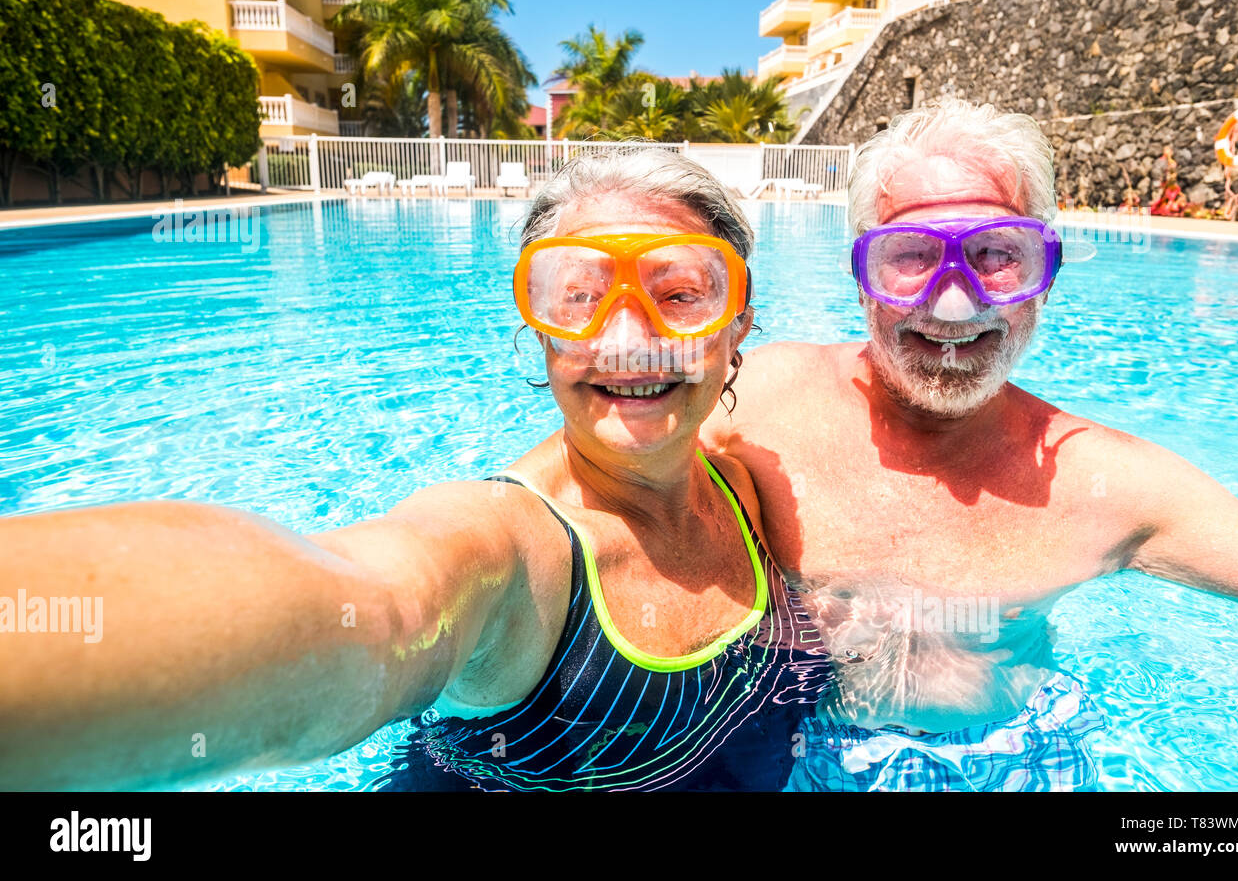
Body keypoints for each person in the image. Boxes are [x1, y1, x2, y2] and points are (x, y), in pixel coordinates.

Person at [0, 148, 836, 792]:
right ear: (541, 334)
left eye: (681, 293)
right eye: (577, 296)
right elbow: (384, 605)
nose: (627, 340)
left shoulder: (746, 482)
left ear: (739, 326)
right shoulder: (516, 549)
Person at [702, 97, 1238, 791]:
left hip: (1015, 755)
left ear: (1048, 270)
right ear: (860, 273)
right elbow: (568, 496)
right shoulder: (760, 407)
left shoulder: (1104, 480)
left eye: (994, 254)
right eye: (911, 256)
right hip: (801, 745)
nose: (954, 305)